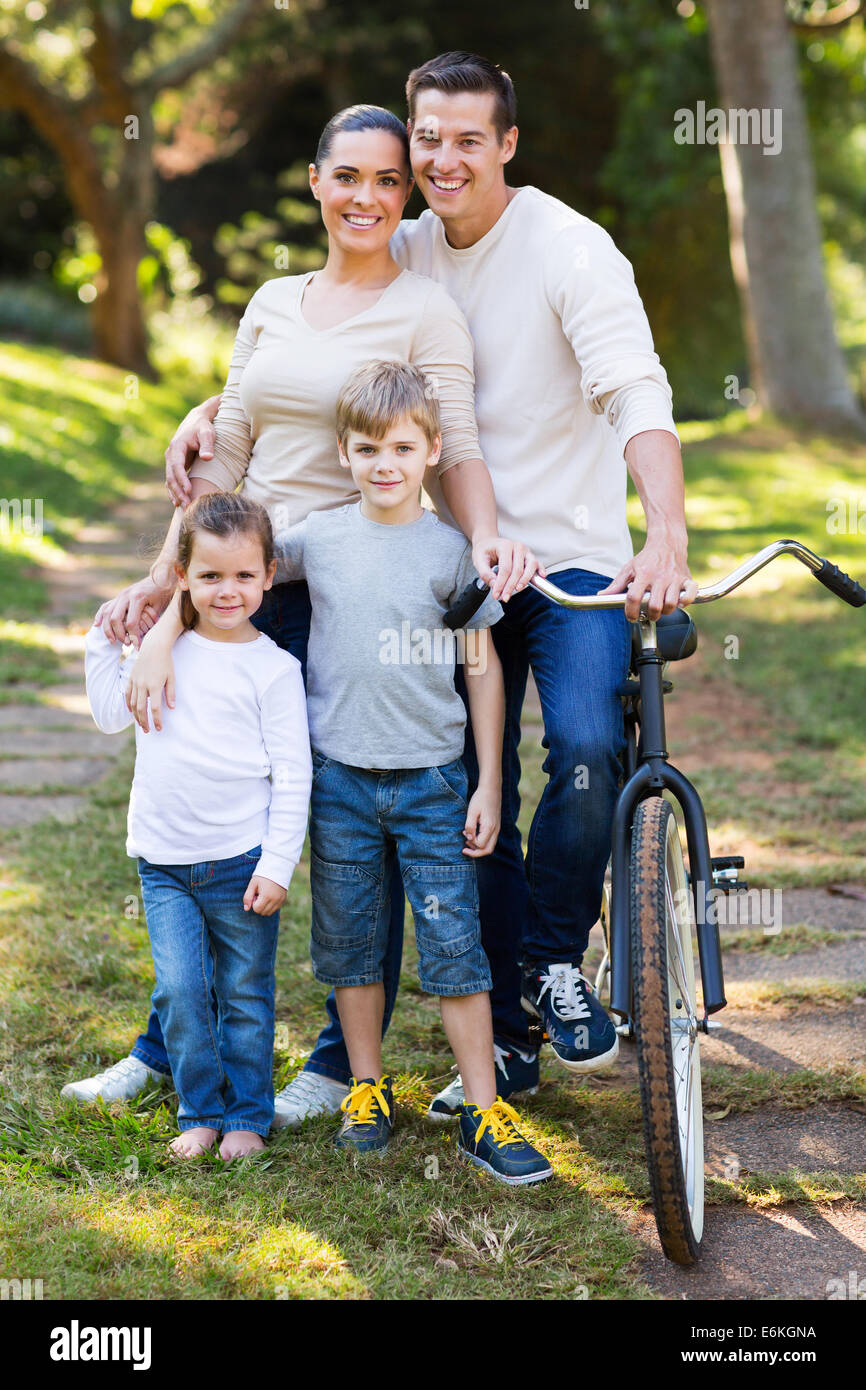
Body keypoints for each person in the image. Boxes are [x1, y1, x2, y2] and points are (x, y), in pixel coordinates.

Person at [147, 52, 700, 1126]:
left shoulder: (567, 249)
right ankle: (502, 1025)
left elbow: (636, 388)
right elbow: (300, 332)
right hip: (438, 565)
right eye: (424, 142)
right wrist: (206, 416)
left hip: (568, 555)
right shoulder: (399, 233)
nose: (438, 162)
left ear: (505, 146)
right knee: (456, 790)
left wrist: (665, 528)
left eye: (463, 142)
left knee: (585, 745)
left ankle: (544, 964)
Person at [62, 101, 539, 1122]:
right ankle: (165, 1039)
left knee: (360, 824)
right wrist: (163, 592)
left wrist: (483, 544)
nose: (367, 196)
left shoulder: (423, 310)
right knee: (207, 823)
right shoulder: (273, 302)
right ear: (316, 183)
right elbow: (227, 453)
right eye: (347, 177)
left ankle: (334, 1064)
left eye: (386, 182)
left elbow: (450, 442)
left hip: (340, 597)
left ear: (400, 197)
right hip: (239, 587)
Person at [133, 359, 552, 1184]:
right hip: (340, 784)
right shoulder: (317, 538)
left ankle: (481, 1102)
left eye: (402, 447)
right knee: (352, 946)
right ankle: (366, 1088)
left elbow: (483, 671)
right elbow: (226, 569)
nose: (384, 464)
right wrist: (158, 627)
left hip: (433, 782)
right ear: (344, 451)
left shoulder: (452, 554)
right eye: (367, 448)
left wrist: (491, 783)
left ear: (433, 450)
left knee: (453, 947)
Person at [79, 492, 312, 1159]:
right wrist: (103, 639)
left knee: (244, 996)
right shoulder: (161, 654)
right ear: (181, 575)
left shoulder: (274, 669)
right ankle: (199, 1112)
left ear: (269, 574)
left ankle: (246, 1116)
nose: (227, 590)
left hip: (241, 863)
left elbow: (293, 776)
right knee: (182, 992)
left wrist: (276, 866)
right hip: (165, 865)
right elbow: (108, 714)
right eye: (210, 576)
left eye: (243, 576)